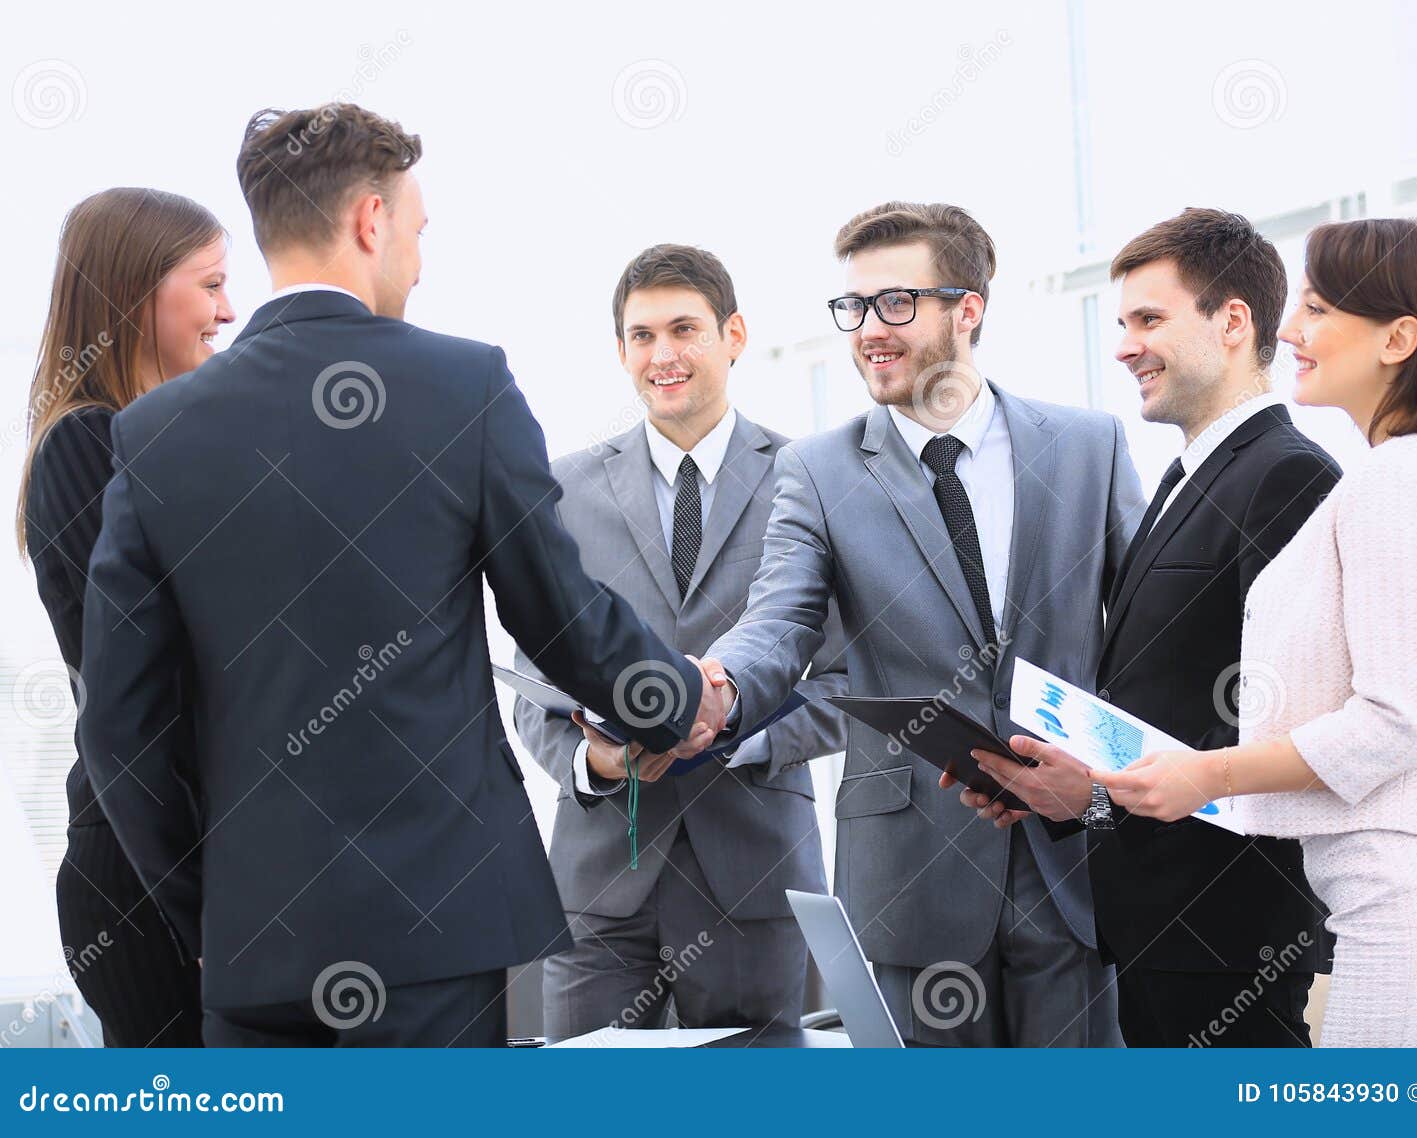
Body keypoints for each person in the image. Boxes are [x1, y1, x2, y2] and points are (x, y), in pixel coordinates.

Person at [76, 104, 728, 1048]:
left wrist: (211, 909)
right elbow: (560, 618)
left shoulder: (155, 432)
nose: (420, 262)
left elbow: (119, 727)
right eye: (418, 233)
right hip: (436, 933)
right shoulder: (465, 387)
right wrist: (676, 699)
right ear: (370, 221)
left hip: (256, 948)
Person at [695, 202, 1145, 1047]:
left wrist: (1120, 784)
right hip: (912, 868)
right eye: (856, 308)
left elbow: (1146, 636)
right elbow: (777, 623)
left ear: (967, 308)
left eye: (895, 303)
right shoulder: (818, 471)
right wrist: (713, 687)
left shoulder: (1091, 446)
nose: (869, 329)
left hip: (1073, 860)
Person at [1091, 217, 1417, 1047]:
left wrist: (1205, 774)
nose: (1290, 330)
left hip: (1405, 900)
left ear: (1398, 337)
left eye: (1319, 309)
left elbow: (1393, 723)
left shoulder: (1393, 482)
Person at [954, 208, 1339, 1047]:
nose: (1125, 345)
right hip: (1160, 919)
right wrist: (1066, 782)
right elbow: (1163, 696)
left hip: (1230, 928)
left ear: (1233, 322)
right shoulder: (1182, 478)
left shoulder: (1288, 476)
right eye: (1123, 323)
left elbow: (1285, 721)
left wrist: (1095, 796)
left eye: (1150, 320)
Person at [513, 244, 849, 1039]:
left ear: (734, 335)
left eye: (684, 329)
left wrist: (723, 733)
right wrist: (596, 761)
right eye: (640, 336)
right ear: (621, 351)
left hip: (754, 870)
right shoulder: (562, 490)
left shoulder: (813, 479)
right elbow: (535, 687)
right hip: (597, 877)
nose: (661, 355)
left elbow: (843, 685)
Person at [18, 188, 235, 1047]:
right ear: (136, 295)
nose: (229, 310)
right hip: (145, 871)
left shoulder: (157, 440)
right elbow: (156, 687)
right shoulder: (86, 444)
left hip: (191, 864)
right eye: (211, 284)